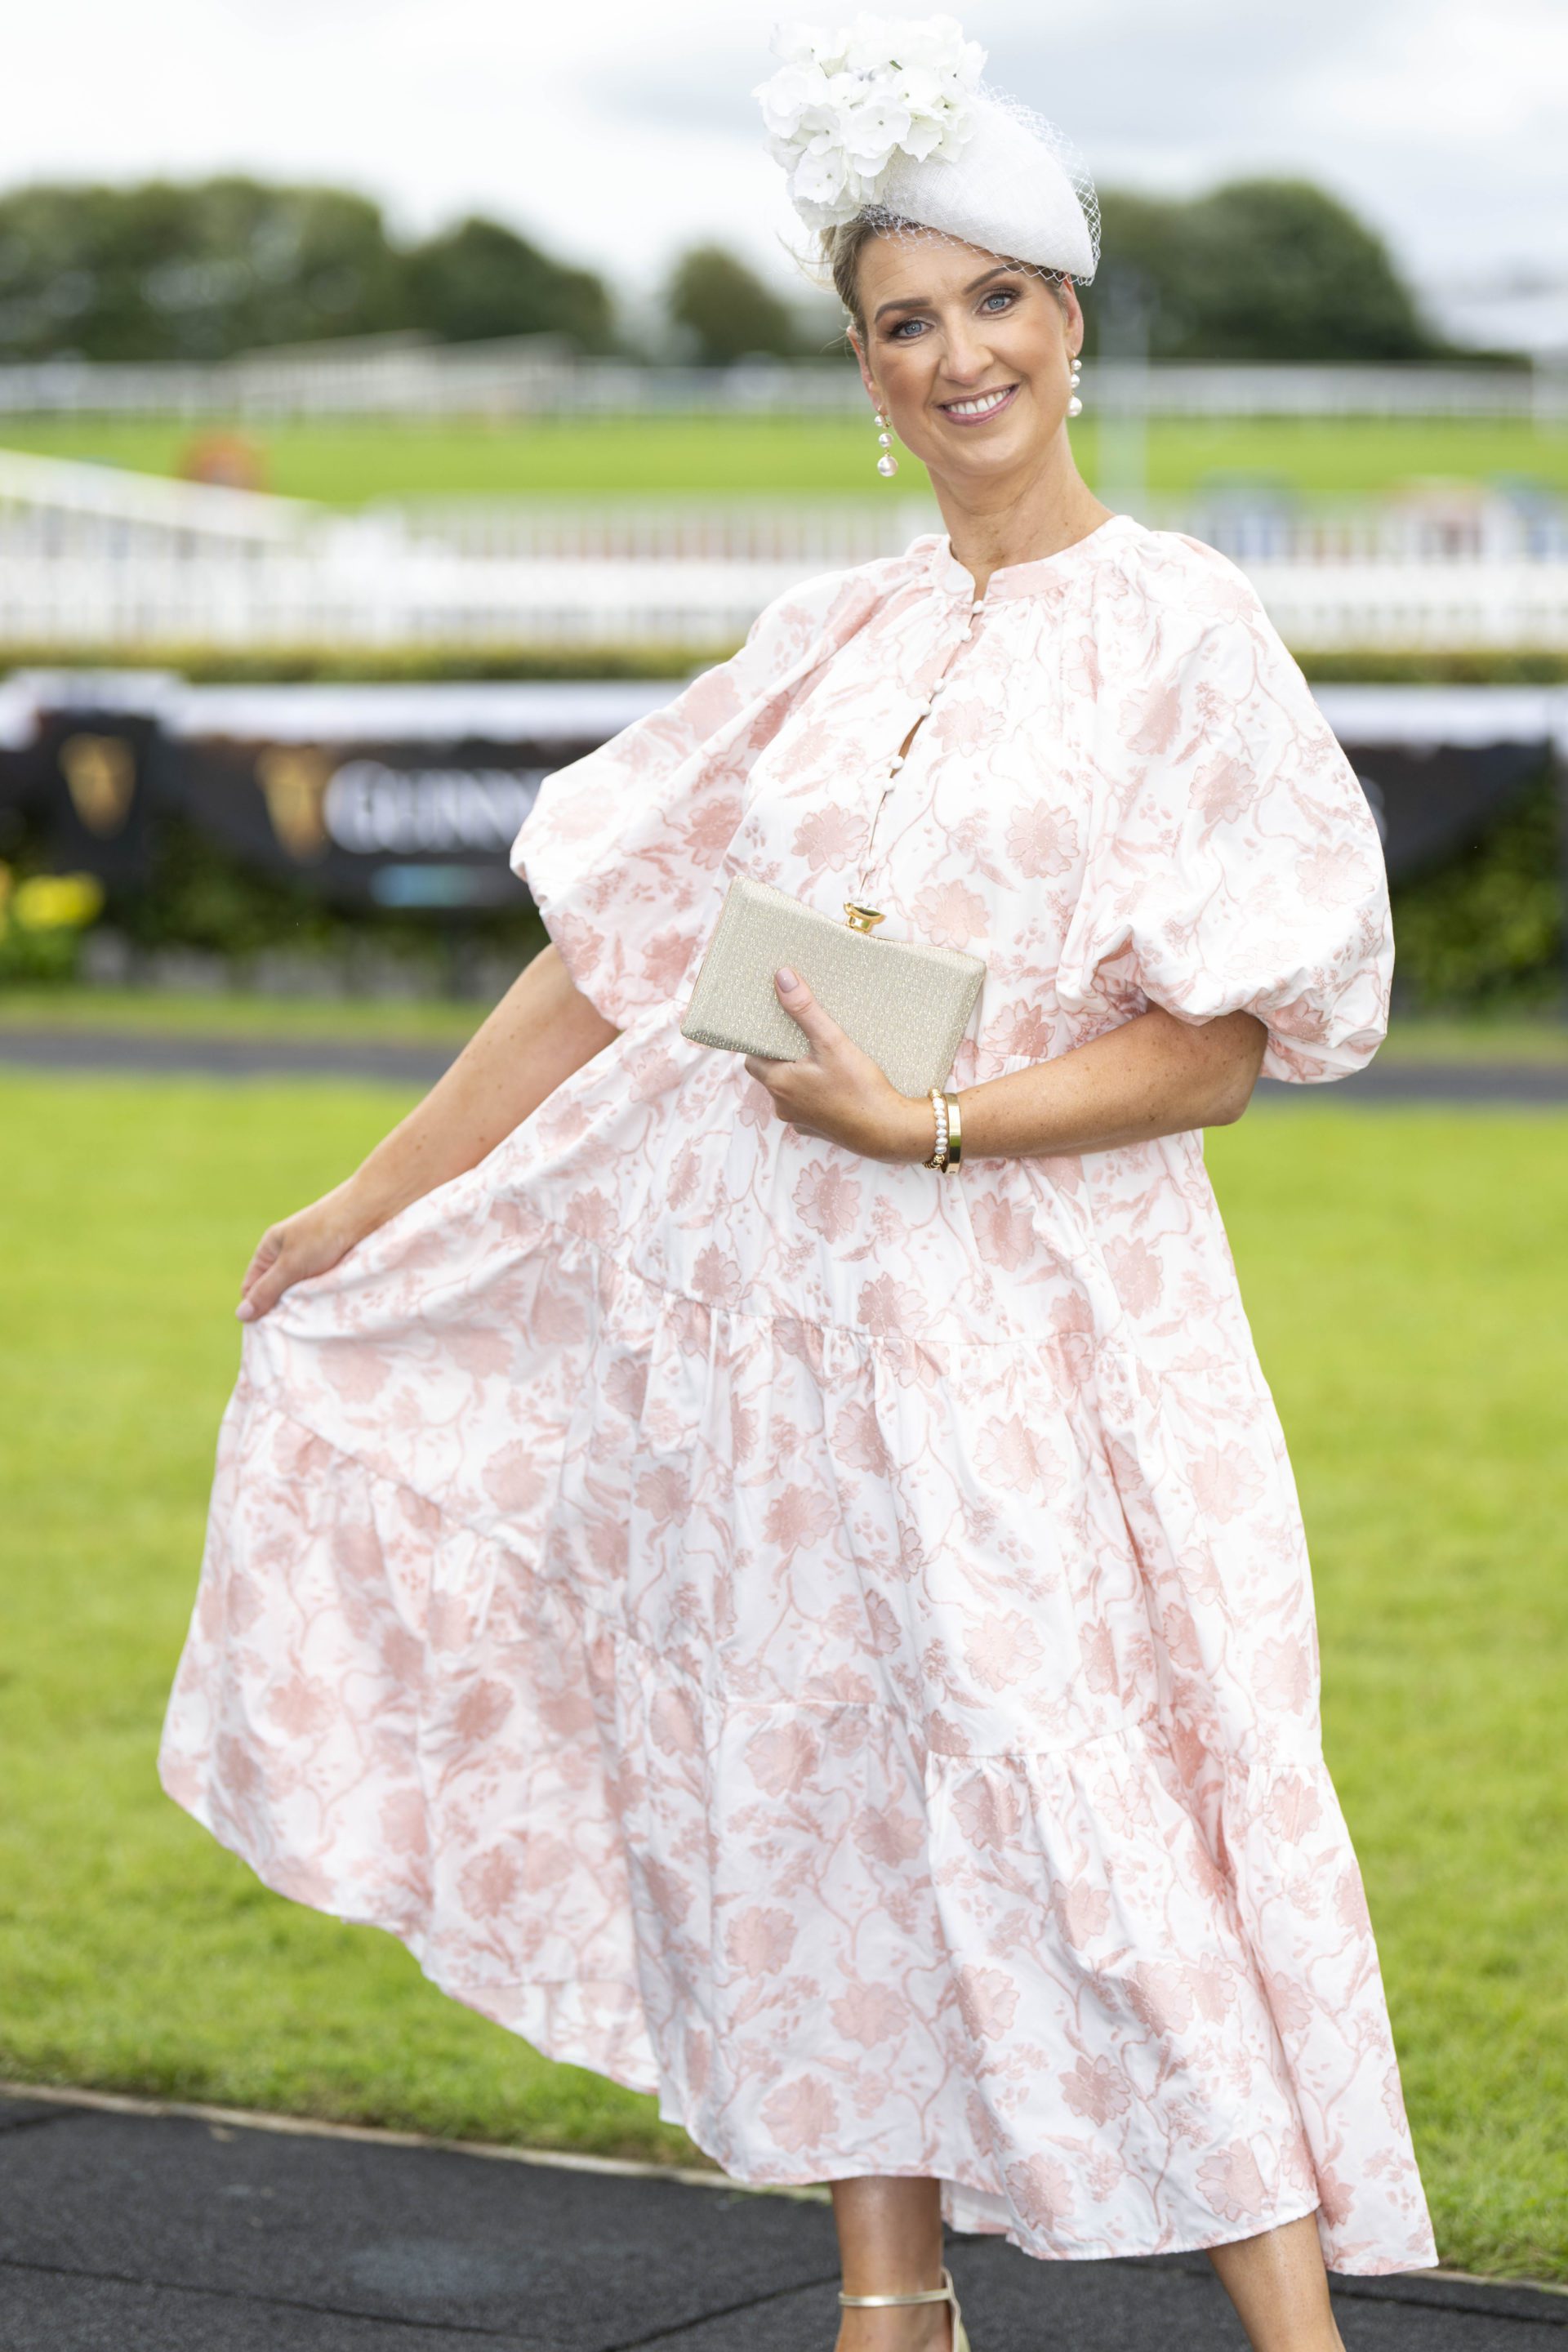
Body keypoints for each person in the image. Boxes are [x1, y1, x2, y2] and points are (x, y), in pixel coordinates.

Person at [160, 18, 1436, 2350]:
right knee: (826, 1789)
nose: (958, 357)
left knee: (1099, 1815)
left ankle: (1296, 2334)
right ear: (866, 367)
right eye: (904, 321)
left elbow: (1225, 1047)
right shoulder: (831, 636)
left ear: (1070, 315)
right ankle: (888, 2310)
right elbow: (610, 964)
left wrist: (930, 1125)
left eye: (993, 301)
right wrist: (366, 1202)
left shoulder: (1183, 631)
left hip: (1042, 1334)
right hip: (774, 1333)